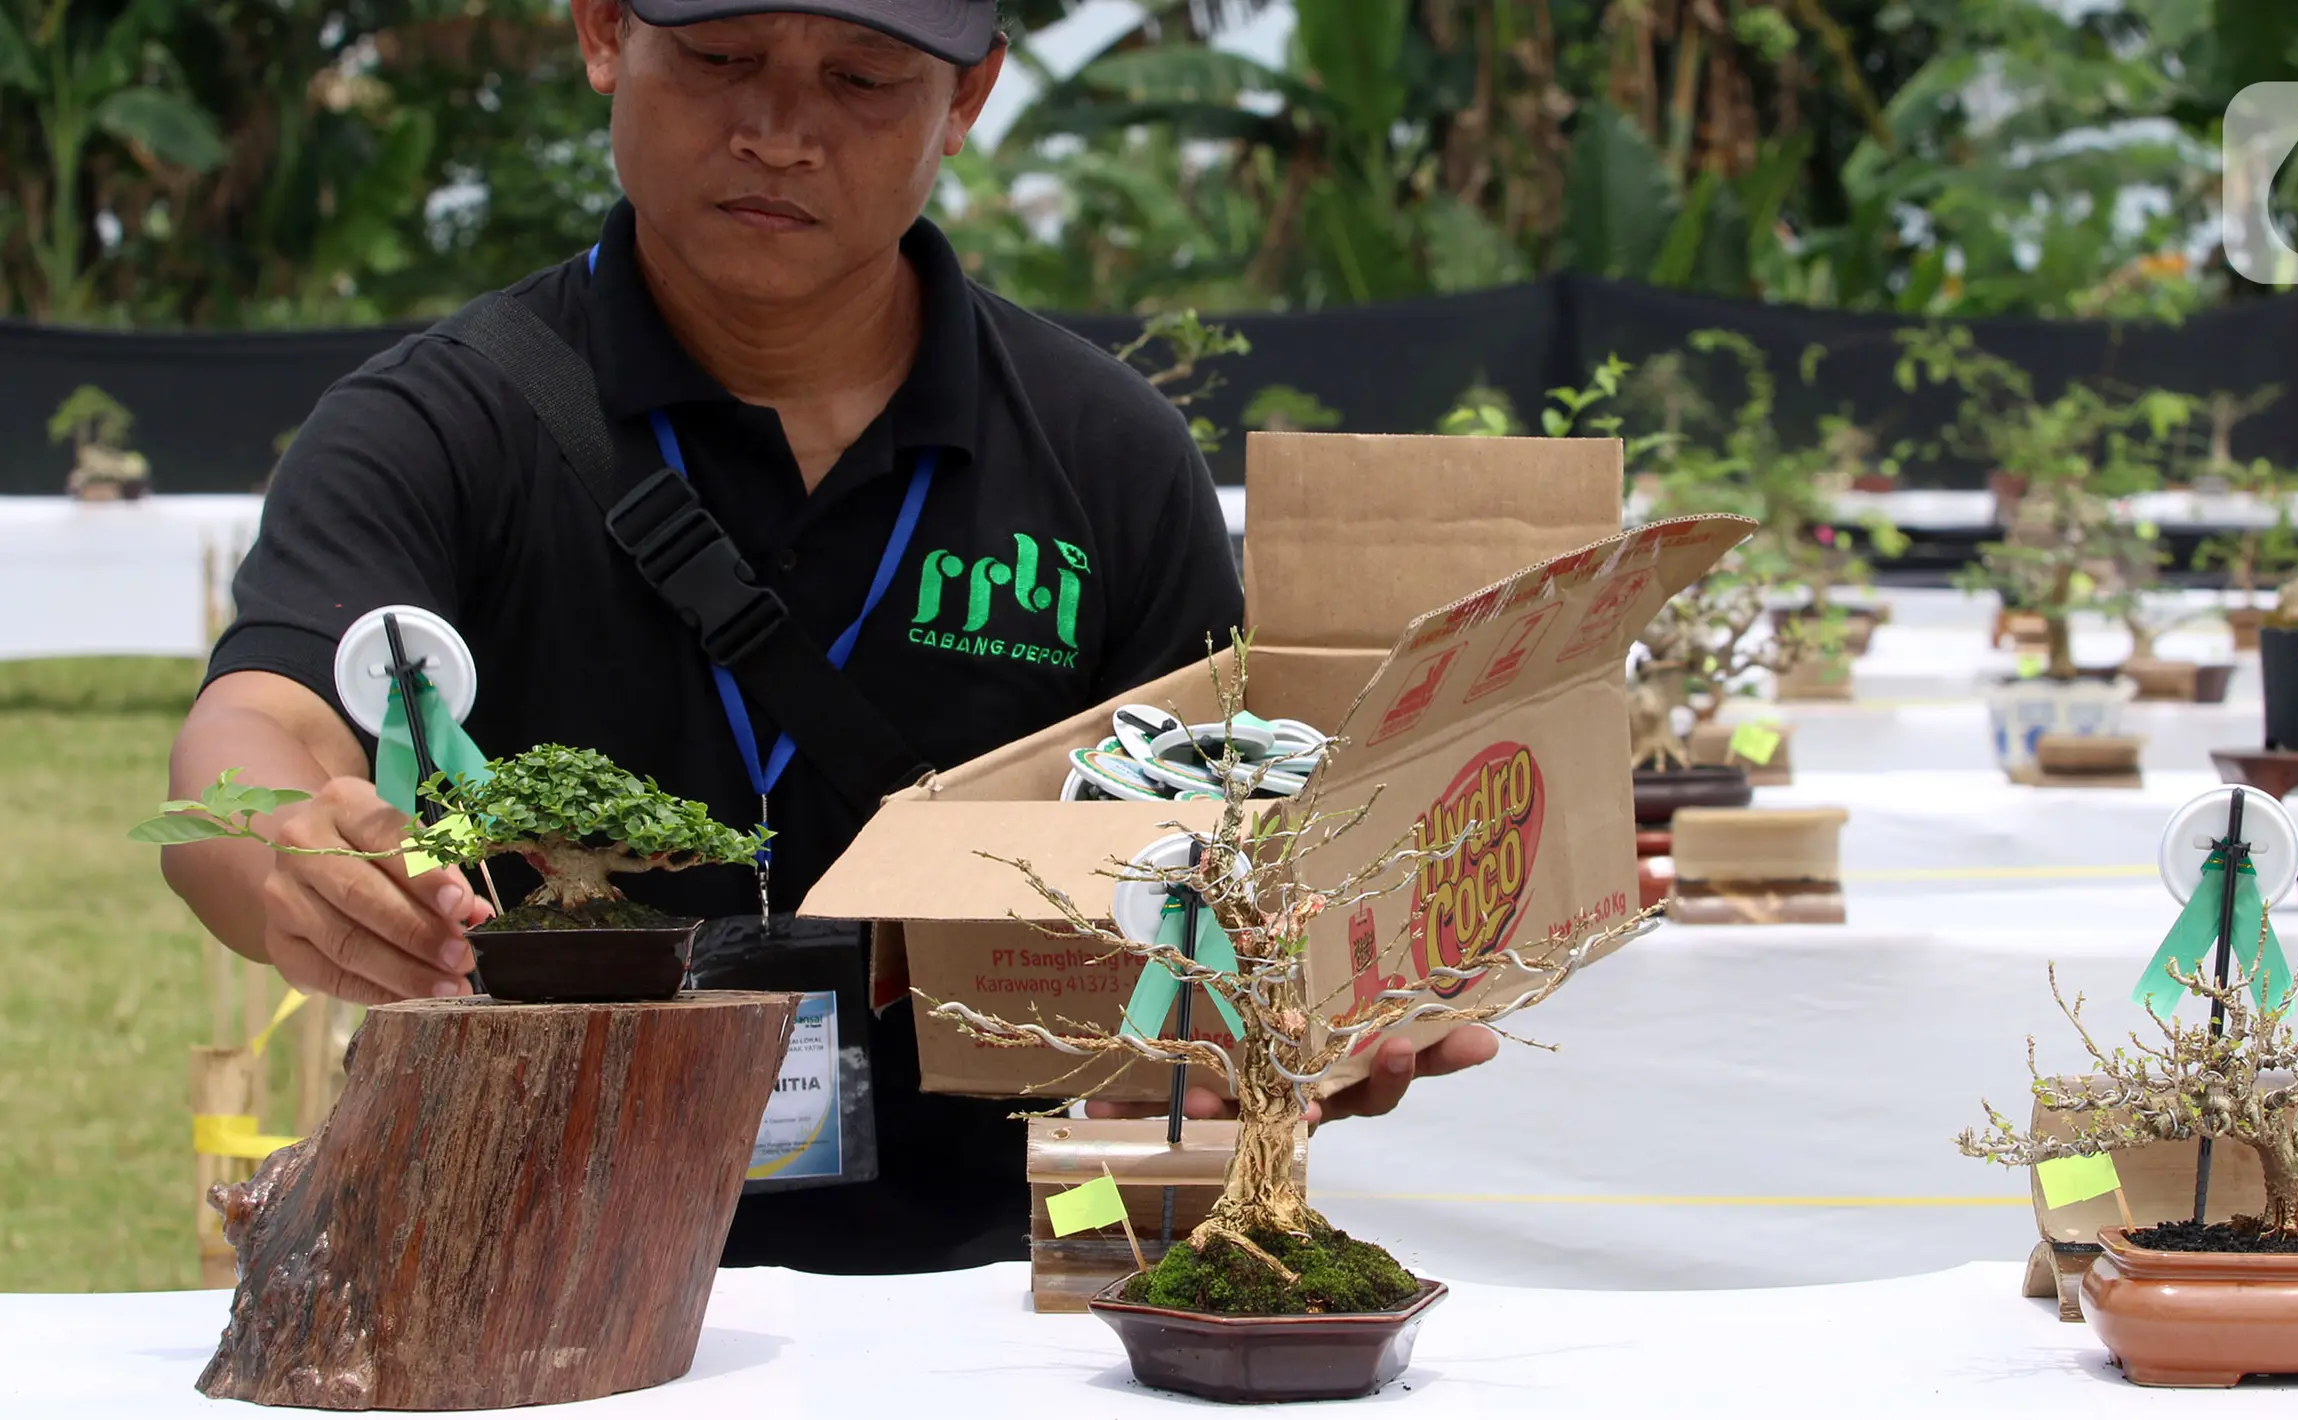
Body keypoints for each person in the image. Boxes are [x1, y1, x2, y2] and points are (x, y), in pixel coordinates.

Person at [160, 0, 1496, 1276]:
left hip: (996, 1279)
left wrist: (1297, 1021)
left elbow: (1206, 845)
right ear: (601, 34)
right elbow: (260, 721)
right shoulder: (439, 428)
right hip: (522, 1257)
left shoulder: (1103, 457)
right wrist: (286, 853)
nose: (780, 132)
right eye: (722, 58)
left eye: (861, 80)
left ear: (966, 96)